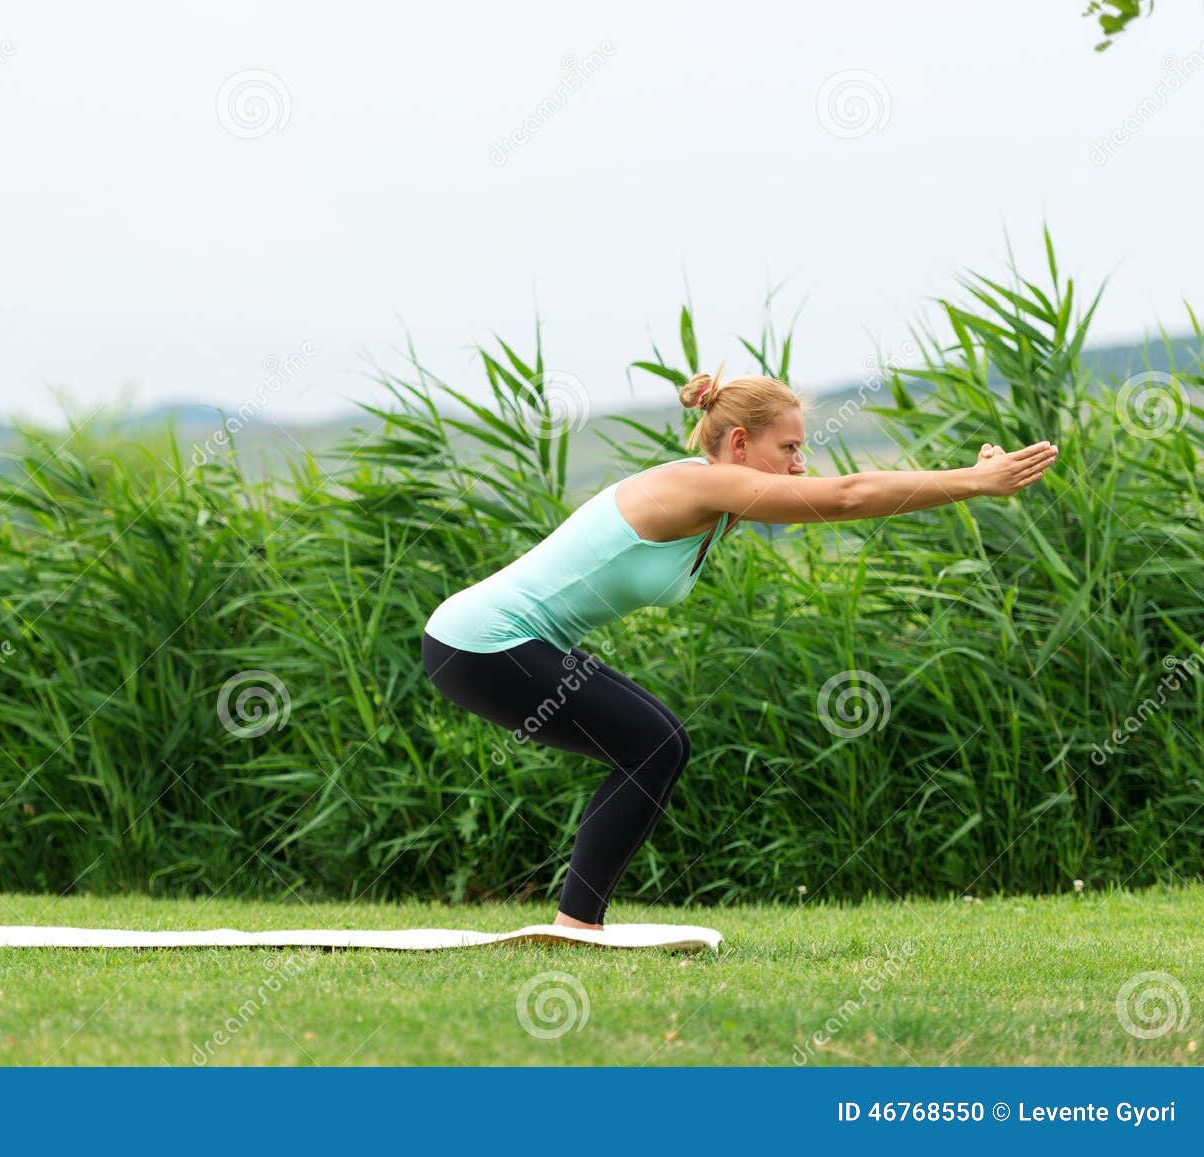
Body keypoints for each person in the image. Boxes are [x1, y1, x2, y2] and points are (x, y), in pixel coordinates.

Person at [419, 366, 1059, 928]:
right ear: (739, 443)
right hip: (480, 642)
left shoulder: (718, 498)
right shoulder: (696, 485)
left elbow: (833, 492)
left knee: (655, 744)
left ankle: (577, 919)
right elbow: (847, 496)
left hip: (492, 643)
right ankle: (576, 922)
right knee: (654, 744)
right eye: (789, 447)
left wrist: (972, 476)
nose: (799, 464)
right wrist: (975, 482)